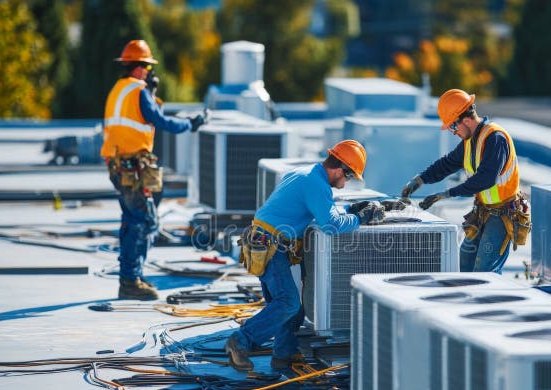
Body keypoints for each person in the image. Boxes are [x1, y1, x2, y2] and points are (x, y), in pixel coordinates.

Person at [225, 140, 384, 371]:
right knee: (288, 303)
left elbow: (317, 212)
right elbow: (330, 225)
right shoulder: (316, 184)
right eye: (348, 177)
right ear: (340, 169)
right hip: (271, 246)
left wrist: (351, 210)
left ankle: (284, 355)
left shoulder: (306, 174)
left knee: (288, 306)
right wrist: (361, 219)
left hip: (263, 242)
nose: (346, 182)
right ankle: (240, 341)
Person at [100, 40, 206, 300]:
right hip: (132, 168)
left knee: (132, 220)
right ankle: (130, 281)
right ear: (139, 67)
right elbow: (159, 121)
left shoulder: (119, 89)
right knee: (144, 222)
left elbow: (141, 119)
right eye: (147, 67)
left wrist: (151, 95)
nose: (148, 72)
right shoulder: (138, 90)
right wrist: (190, 124)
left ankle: (132, 276)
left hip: (120, 166)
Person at [401, 88, 523, 274]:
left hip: (502, 215)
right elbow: (448, 163)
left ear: (465, 120)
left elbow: (485, 179)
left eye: (452, 126)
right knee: (463, 266)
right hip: (483, 212)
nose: (452, 132)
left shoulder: (495, 139)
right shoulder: (470, 141)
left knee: (484, 273)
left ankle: (485, 302)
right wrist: (419, 180)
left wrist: (447, 193)